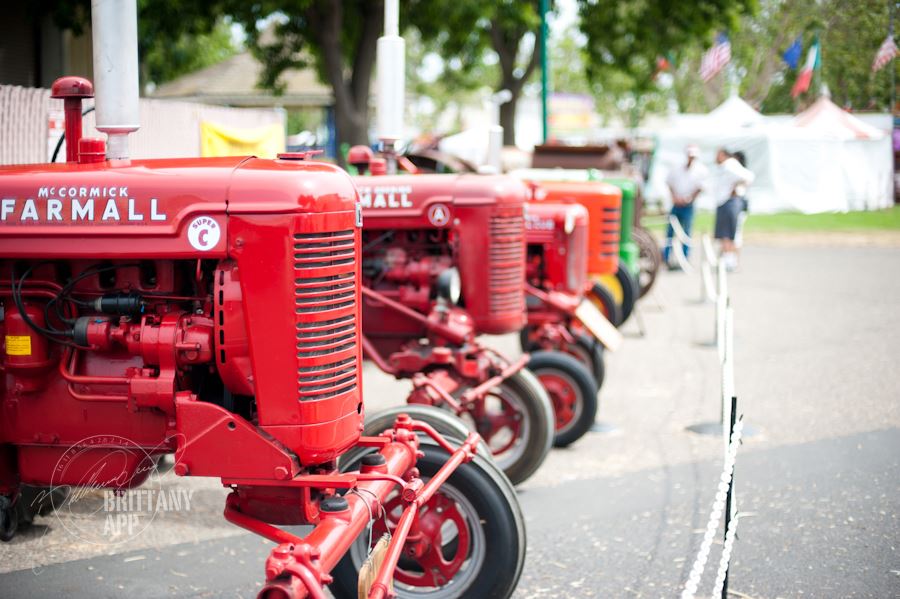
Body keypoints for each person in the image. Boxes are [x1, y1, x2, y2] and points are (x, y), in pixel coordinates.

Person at [663, 144, 707, 267]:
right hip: (676, 203)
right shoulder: (677, 168)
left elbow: (700, 187)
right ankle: (666, 257)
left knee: (687, 231)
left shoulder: (701, 170)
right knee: (670, 231)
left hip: (689, 205)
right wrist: (674, 197)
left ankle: (685, 258)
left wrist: (689, 199)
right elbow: (669, 183)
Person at [712, 148, 755, 271]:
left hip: (729, 203)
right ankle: (729, 260)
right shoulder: (725, 166)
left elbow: (749, 176)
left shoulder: (729, 164)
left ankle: (730, 261)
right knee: (726, 234)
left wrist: (737, 187)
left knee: (728, 234)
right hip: (725, 203)